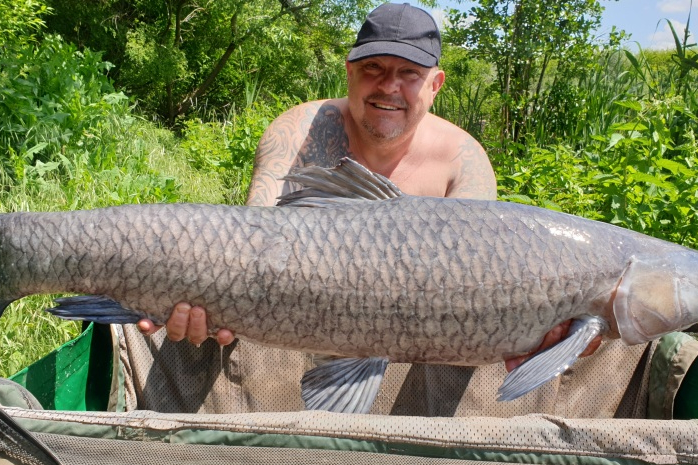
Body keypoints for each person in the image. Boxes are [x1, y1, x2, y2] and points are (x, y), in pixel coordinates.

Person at [136, 2, 600, 375]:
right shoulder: (301, 129)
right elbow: (252, 245)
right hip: (294, 312)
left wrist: (546, 335)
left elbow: (473, 290)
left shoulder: (463, 159)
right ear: (350, 71)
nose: (388, 86)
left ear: (435, 84)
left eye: (409, 74)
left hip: (416, 337)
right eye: (374, 67)